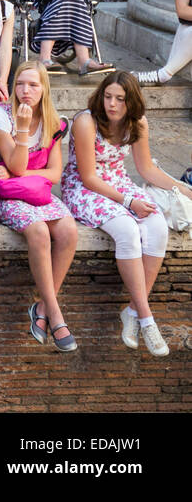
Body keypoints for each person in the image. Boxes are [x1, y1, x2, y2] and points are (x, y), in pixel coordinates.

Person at [62, 72, 192, 356]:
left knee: (157, 224)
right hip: (84, 187)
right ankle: (147, 318)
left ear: (130, 101)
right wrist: (129, 201)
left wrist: (184, 190)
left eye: (120, 99)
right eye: (108, 96)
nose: (112, 104)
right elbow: (87, 177)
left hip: (119, 182)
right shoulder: (85, 122)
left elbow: (146, 169)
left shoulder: (138, 123)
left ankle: (132, 312)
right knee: (127, 231)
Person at [0, 61, 78, 352]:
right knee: (38, 231)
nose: (26, 91)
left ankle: (41, 307)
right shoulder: (1, 117)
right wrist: (22, 130)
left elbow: (54, 174)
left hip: (34, 191)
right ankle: (55, 312)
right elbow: (15, 162)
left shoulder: (55, 122)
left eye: (33, 85)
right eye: (21, 84)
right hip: (5, 195)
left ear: (44, 88)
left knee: (68, 230)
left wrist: (19, 172)